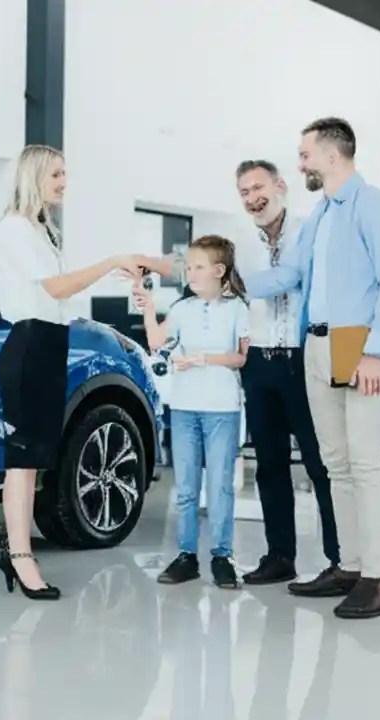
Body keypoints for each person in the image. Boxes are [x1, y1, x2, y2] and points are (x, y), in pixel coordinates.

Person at [236, 117, 380, 619]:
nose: (300, 163)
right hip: (316, 343)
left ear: (332, 155)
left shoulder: (374, 206)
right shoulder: (320, 215)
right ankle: (350, 565)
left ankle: (378, 578)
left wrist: (379, 352)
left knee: (366, 462)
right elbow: (292, 275)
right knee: (335, 464)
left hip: (358, 341)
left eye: (305, 155)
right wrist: (229, 283)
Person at [0, 144, 151, 600]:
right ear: (35, 176)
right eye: (57, 174)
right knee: (21, 461)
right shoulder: (16, 228)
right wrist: (108, 262)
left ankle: (18, 551)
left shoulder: (44, 231)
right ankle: (21, 557)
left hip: (49, 345)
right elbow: (56, 287)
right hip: (28, 346)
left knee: (36, 457)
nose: (64, 182)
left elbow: (57, 299)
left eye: (65, 173)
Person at [227, 160, 342, 588]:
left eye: (257, 187)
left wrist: (241, 283)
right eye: (243, 192)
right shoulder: (239, 241)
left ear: (280, 186)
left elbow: (290, 279)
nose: (252, 198)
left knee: (319, 462)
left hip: (301, 358)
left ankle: (339, 558)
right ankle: (279, 556)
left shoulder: (308, 230)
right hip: (259, 361)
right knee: (269, 464)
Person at [133, 235, 250, 589]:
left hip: (221, 410)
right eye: (188, 267)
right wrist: (148, 308)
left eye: (198, 267)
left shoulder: (237, 309)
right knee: (185, 488)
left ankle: (222, 555)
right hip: (184, 407)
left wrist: (202, 358)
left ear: (219, 270)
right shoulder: (182, 309)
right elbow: (157, 343)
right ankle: (186, 556)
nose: (190, 273)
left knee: (219, 486)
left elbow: (241, 357)